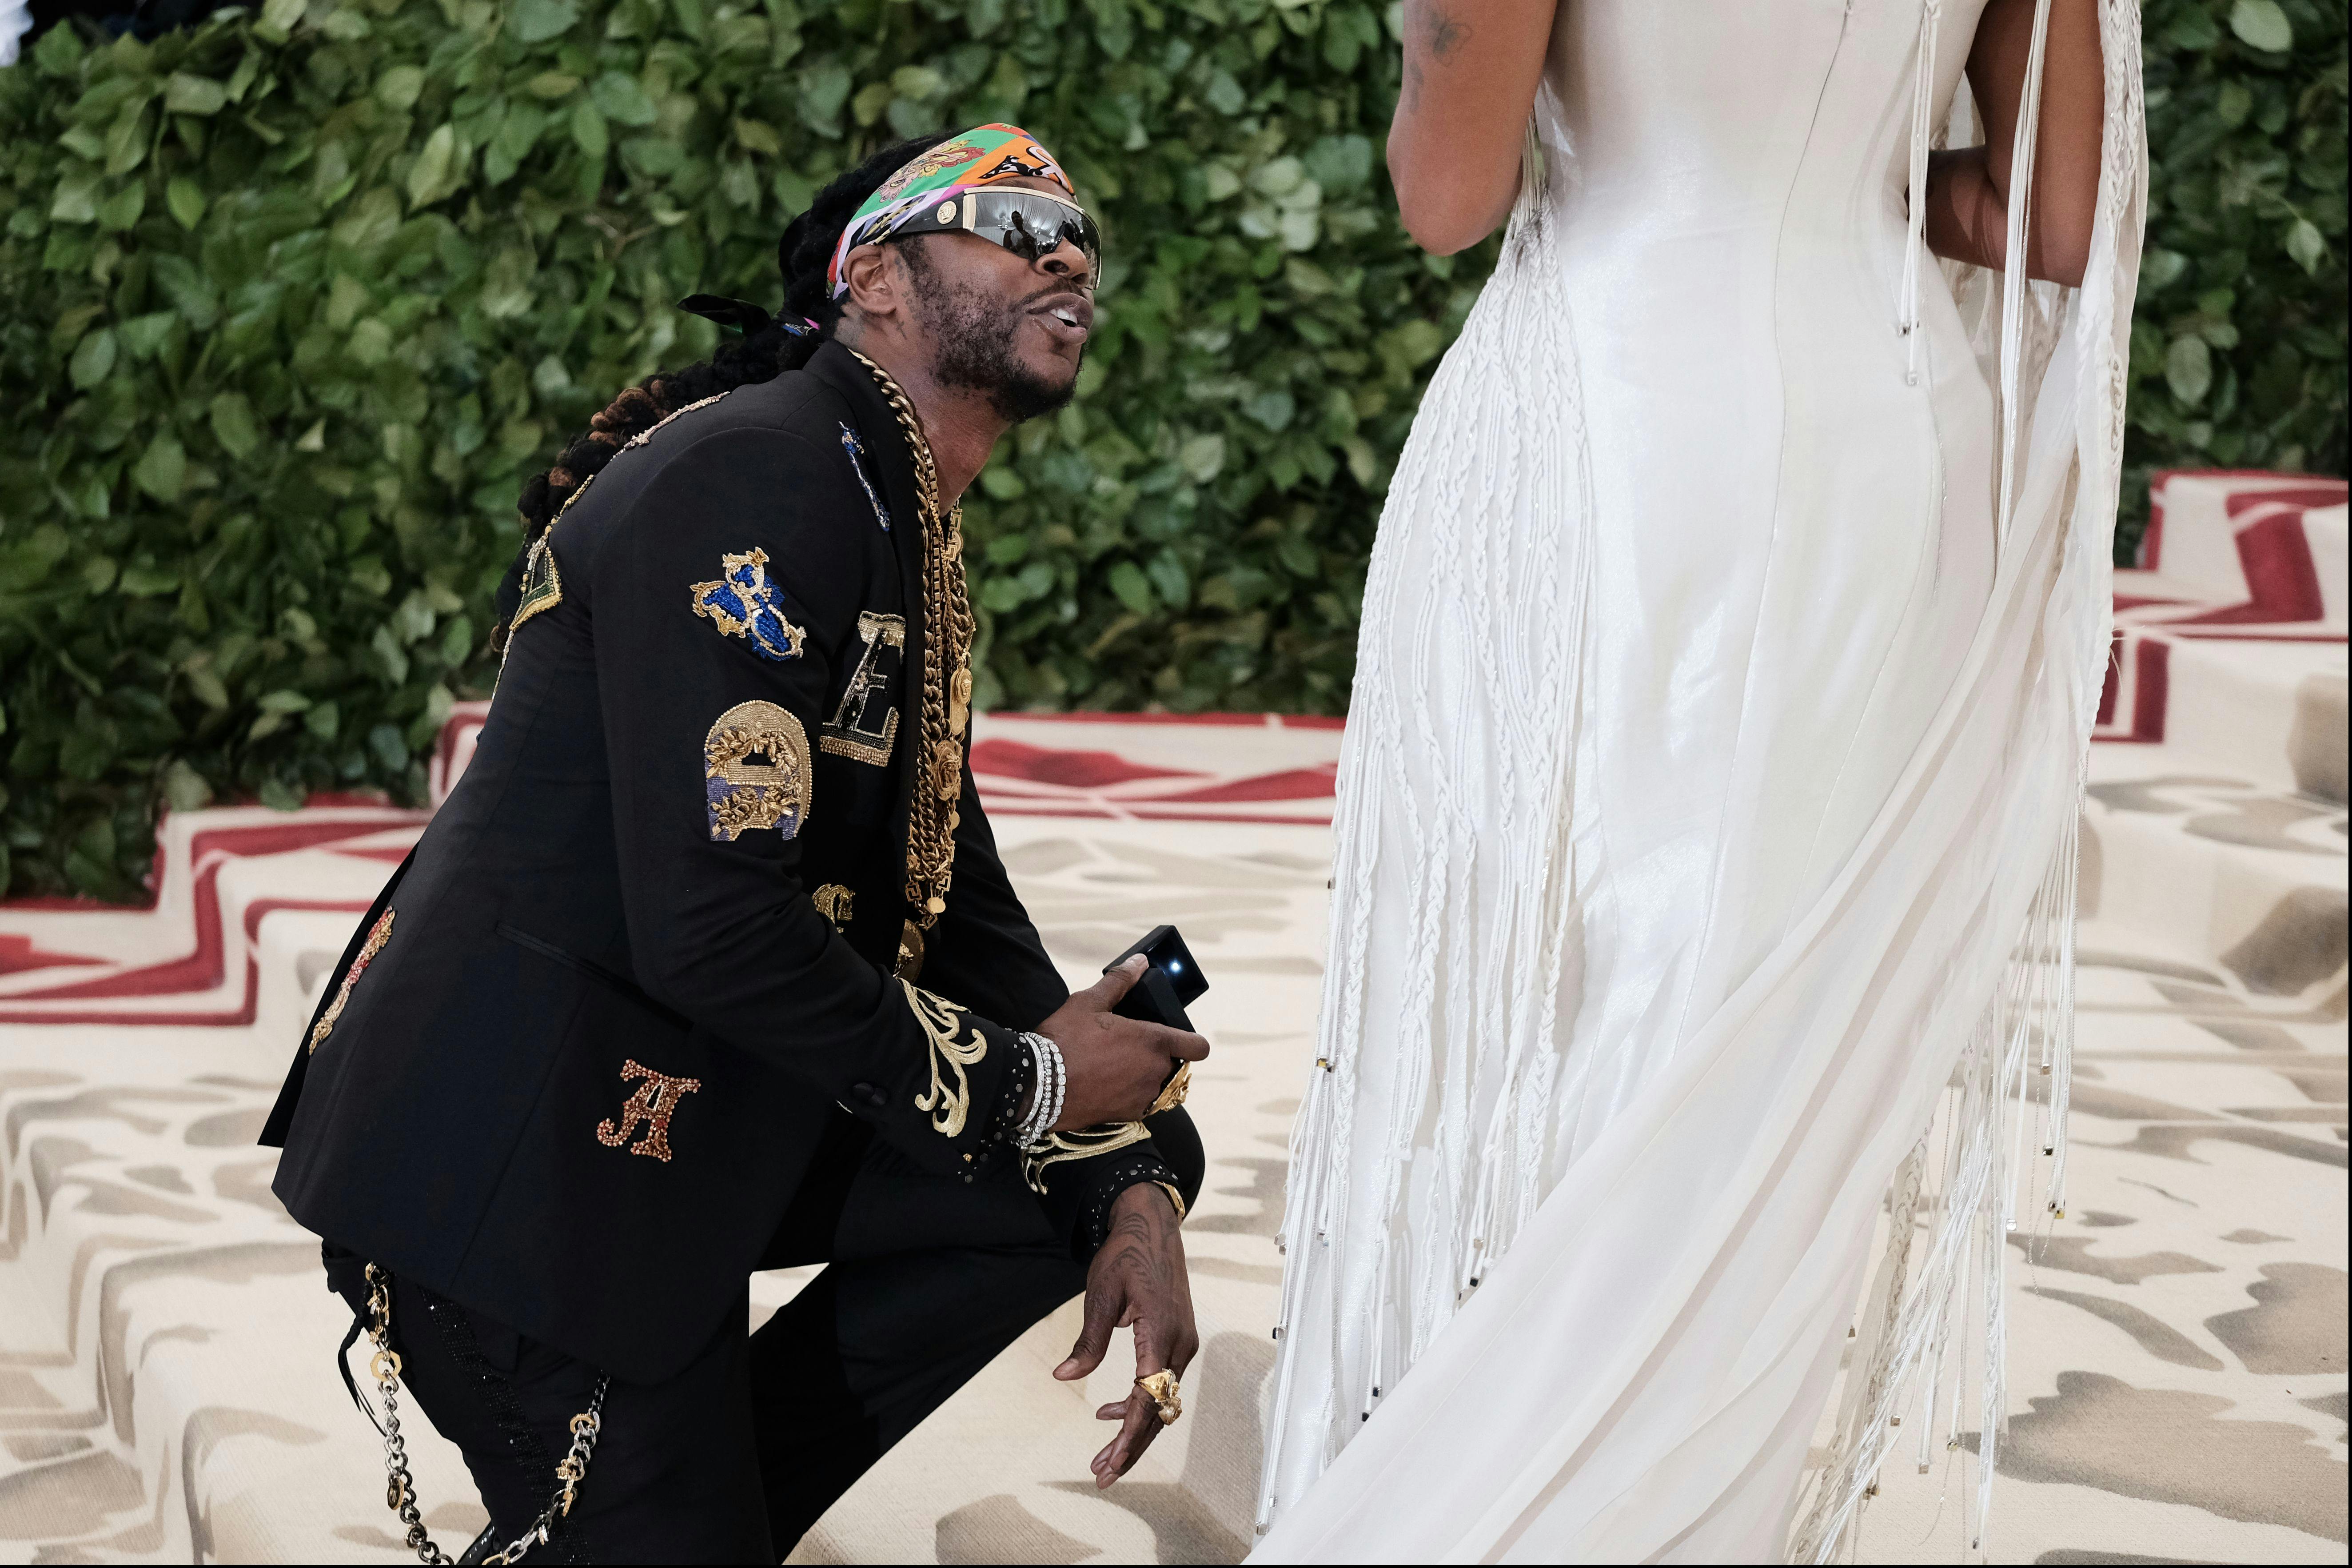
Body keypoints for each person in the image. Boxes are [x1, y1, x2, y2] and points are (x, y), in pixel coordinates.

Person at [1254, 1, 2145, 1560]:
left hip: (1628, 417)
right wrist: (1851, 188)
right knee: (1758, 1011)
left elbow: (1443, 194)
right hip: (1893, 443)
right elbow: (2050, 223)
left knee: (1570, 978)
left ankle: (1476, 1502)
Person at [261, 125, 1210, 1564]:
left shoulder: (888, 508)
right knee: (1034, 1123)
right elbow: (711, 923)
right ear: (878, 278)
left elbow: (951, 898)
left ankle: (687, 1511)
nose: (1065, 251)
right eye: (1010, 222)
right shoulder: (763, 480)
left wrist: (1119, 1167)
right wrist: (1027, 1077)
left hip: (669, 1118)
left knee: (1090, 1161)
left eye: (1079, 232)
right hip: (514, 1172)